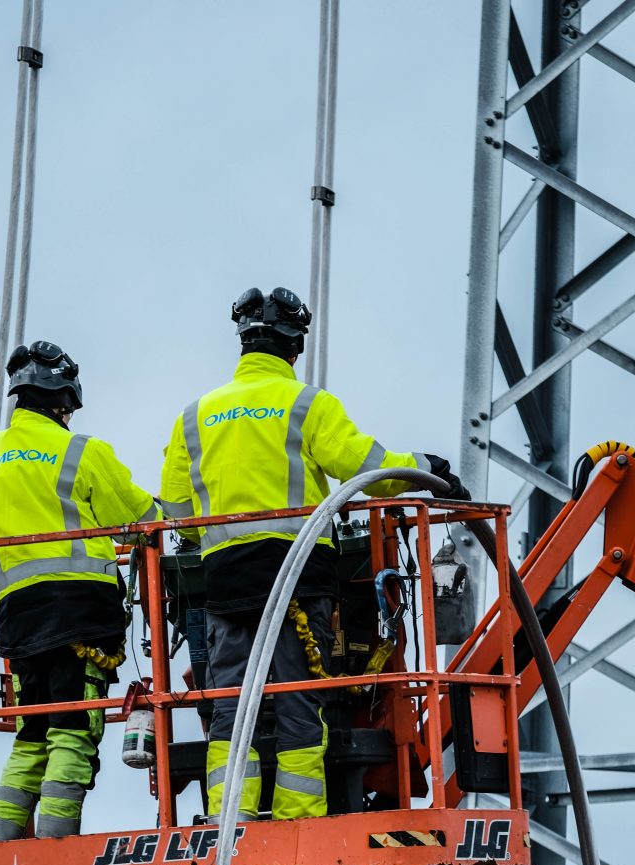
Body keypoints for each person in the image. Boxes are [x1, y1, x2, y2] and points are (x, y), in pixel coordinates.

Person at [160, 285, 467, 824]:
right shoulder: (307, 404)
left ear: (243, 343)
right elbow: (365, 469)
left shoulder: (195, 416)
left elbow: (177, 510)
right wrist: (426, 467)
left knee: (231, 704)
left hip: (227, 583)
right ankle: (297, 815)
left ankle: (230, 815)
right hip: (298, 577)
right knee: (301, 697)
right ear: (295, 345)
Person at [0, 340, 158, 841]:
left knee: (32, 733)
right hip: (81, 615)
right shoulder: (82, 452)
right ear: (64, 401)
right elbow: (140, 520)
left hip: (18, 618)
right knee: (73, 730)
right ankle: (56, 842)